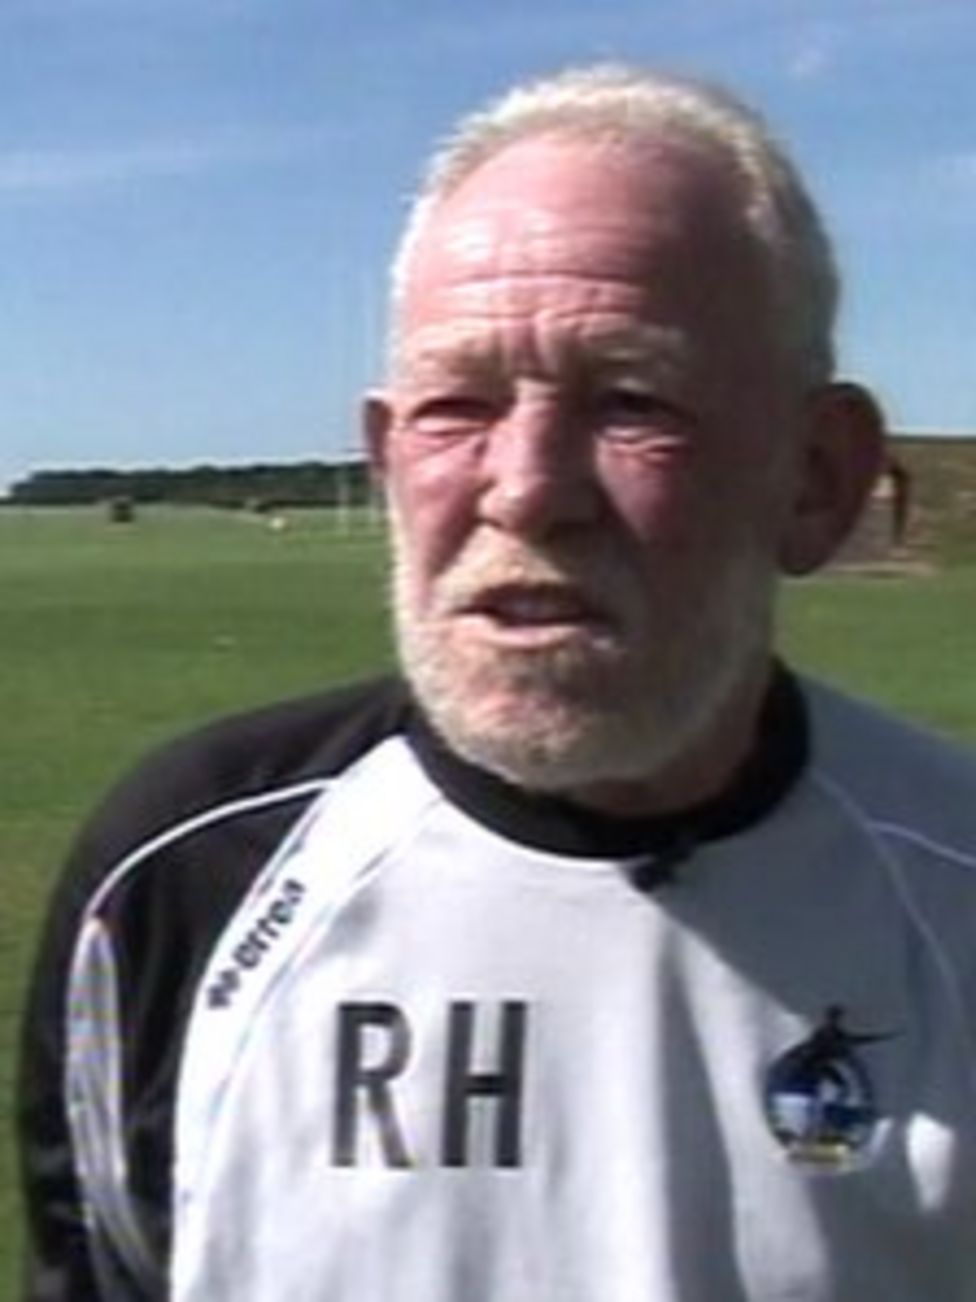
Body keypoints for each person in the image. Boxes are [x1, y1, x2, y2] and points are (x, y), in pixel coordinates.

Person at [18, 64, 976, 1302]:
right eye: (455, 407)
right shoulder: (179, 880)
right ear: (385, 456)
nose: (523, 488)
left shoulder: (950, 889)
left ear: (816, 478)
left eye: (632, 400)